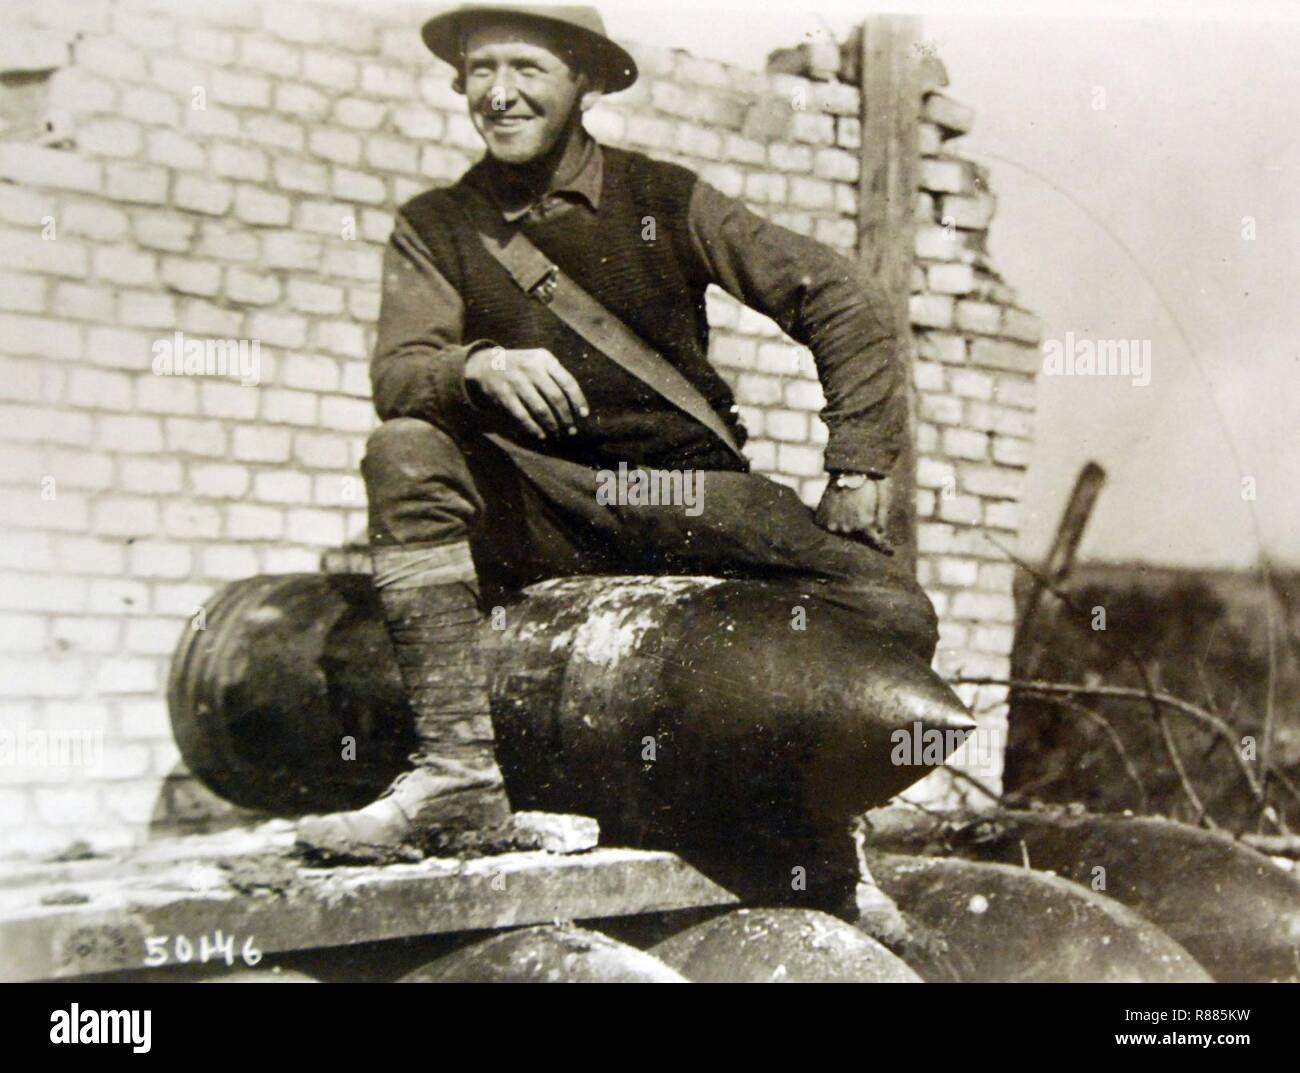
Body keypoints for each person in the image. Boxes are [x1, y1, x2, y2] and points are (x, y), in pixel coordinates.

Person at [296, 4, 939, 864]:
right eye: (481, 71)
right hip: (541, 506)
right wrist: (476, 367)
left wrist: (859, 464)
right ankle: (456, 775)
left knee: (891, 610)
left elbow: (836, 297)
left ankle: (800, 813)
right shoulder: (436, 224)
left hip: (678, 494)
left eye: (527, 69)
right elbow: (398, 374)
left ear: (585, 81)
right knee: (404, 451)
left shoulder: (662, 198)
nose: (500, 94)